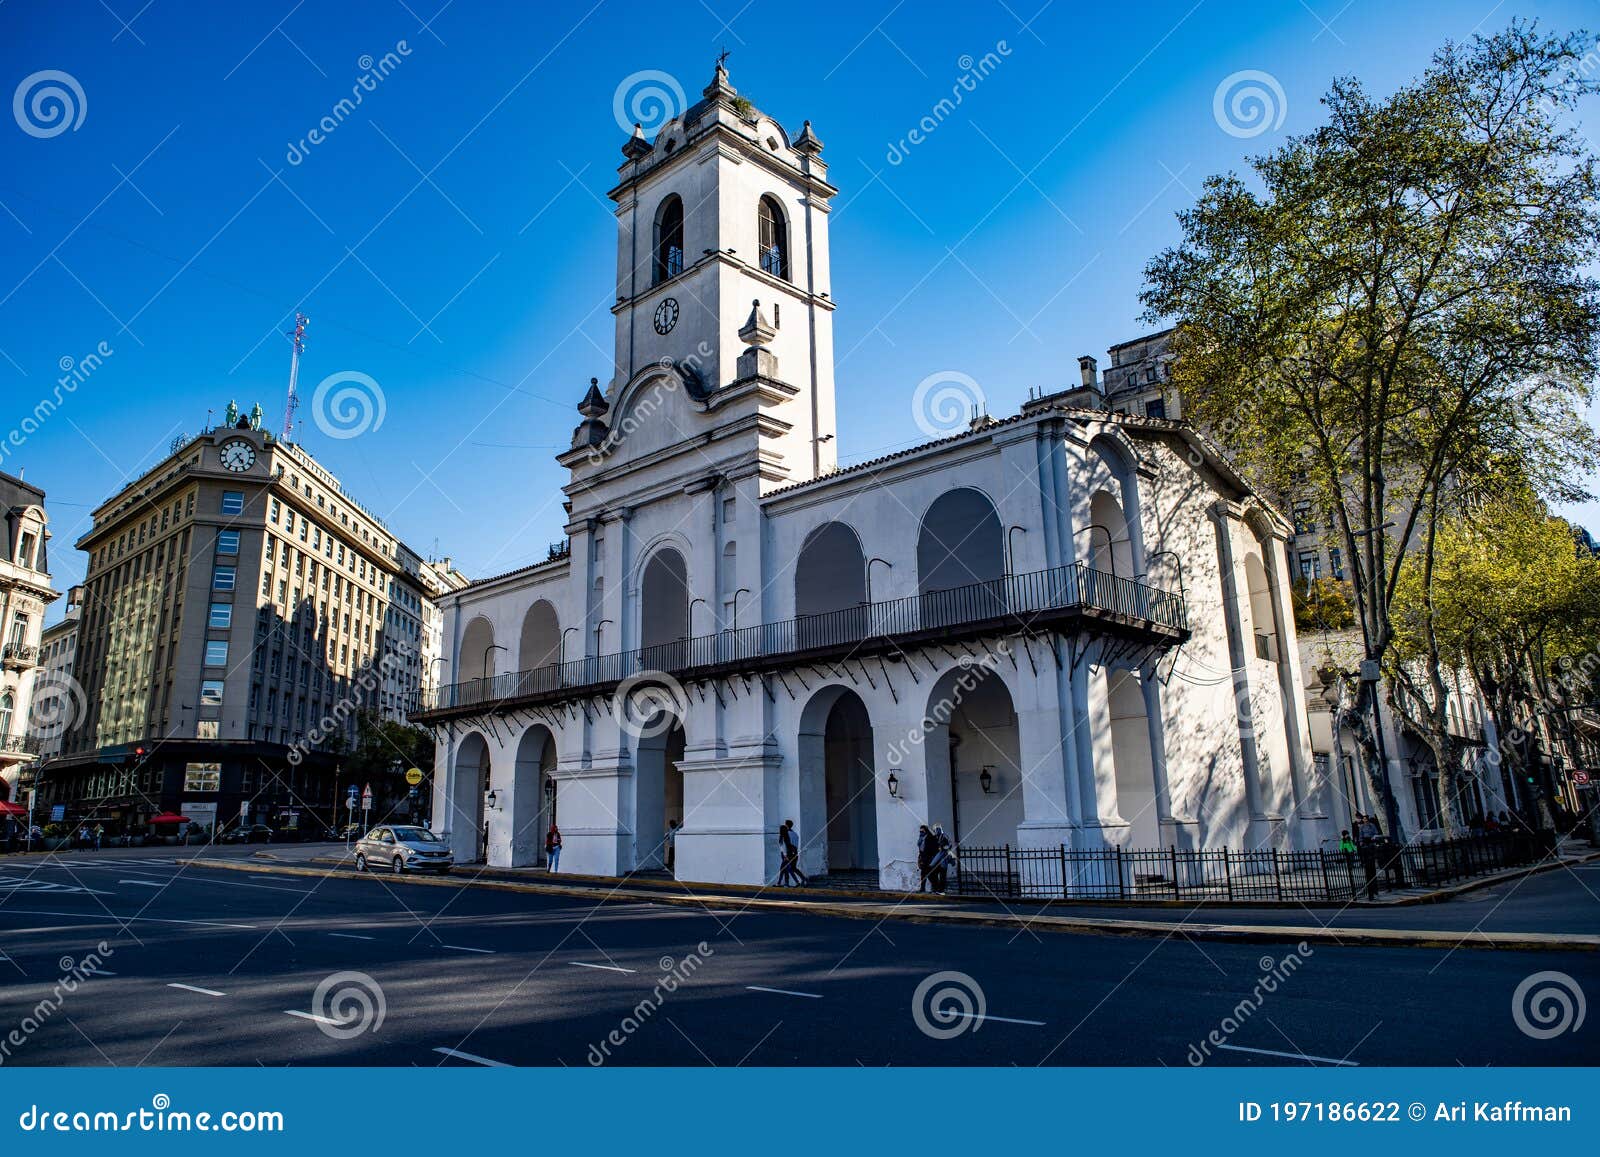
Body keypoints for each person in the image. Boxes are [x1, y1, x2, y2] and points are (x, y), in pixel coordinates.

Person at [777, 819, 808, 886]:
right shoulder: (795, 834)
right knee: (793, 868)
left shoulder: (785, 834)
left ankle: (786, 883)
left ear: (786, 825)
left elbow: (784, 845)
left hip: (787, 853)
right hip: (795, 853)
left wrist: (785, 854)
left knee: (785, 868)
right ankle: (803, 878)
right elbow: (795, 845)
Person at [928, 823, 953, 894]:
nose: (936, 831)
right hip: (938, 856)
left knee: (943, 873)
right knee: (932, 871)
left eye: (937, 829)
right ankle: (937, 888)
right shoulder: (936, 837)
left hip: (943, 855)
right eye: (935, 829)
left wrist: (944, 848)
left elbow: (950, 844)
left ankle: (941, 890)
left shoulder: (944, 836)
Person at [916, 824, 935, 893]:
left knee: (929, 874)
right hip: (923, 857)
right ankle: (922, 888)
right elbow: (920, 848)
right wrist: (920, 857)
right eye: (920, 831)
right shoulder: (921, 838)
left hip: (929, 858)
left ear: (926, 831)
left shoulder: (930, 837)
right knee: (923, 874)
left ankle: (935, 888)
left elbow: (932, 848)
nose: (921, 833)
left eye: (922, 831)